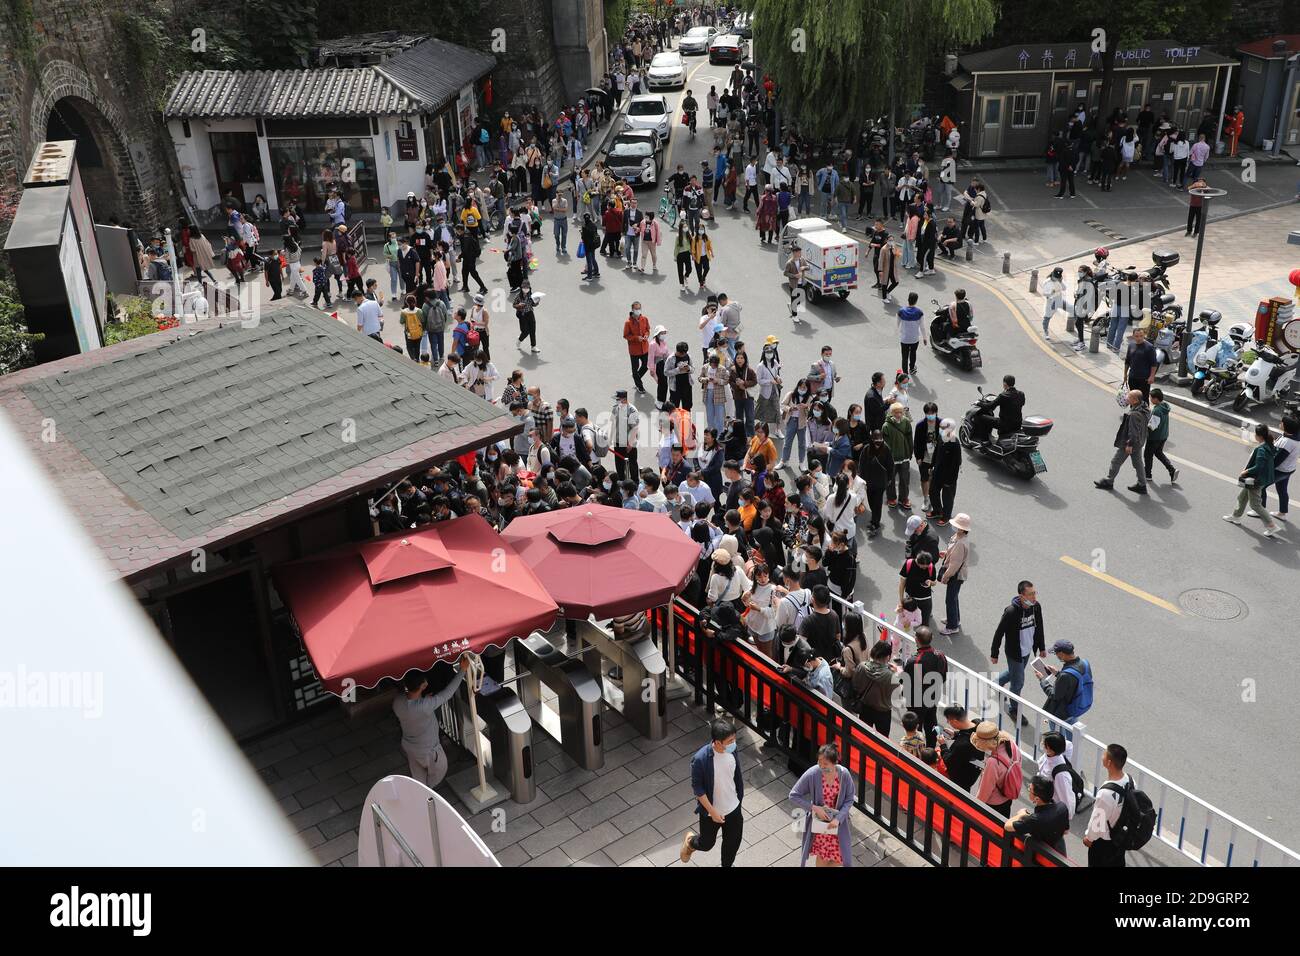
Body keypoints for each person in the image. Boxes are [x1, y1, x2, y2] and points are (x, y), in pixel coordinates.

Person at [392, 661, 470, 788]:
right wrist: (462, 670)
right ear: (423, 686)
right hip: (428, 750)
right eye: (424, 681)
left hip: (409, 747)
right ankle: (428, 794)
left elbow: (413, 704)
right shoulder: (424, 707)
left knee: (418, 778)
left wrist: (424, 700)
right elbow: (448, 693)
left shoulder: (398, 701)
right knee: (439, 770)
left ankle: (420, 794)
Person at [681, 719, 745, 867]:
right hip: (711, 813)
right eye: (730, 741)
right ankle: (690, 842)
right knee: (706, 844)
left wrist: (739, 798)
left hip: (733, 808)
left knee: (732, 847)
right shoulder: (700, 760)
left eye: (734, 739)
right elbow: (698, 789)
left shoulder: (732, 750)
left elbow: (735, 776)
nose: (734, 743)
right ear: (717, 742)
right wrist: (713, 812)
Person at [789, 744, 856, 867]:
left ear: (835, 762)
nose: (821, 766)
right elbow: (793, 795)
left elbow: (850, 798)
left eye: (826, 764)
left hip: (838, 826)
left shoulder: (844, 774)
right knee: (823, 858)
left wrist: (838, 818)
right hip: (821, 826)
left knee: (839, 859)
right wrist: (815, 808)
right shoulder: (813, 774)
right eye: (819, 762)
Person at [990, 580, 1046, 720]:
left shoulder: (1036, 607)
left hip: (1027, 650)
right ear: (1021, 596)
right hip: (1015, 652)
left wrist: (1042, 647)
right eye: (1030, 594)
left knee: (1014, 673)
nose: (1034, 597)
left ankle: (996, 683)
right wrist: (994, 653)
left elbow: (1040, 627)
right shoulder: (1011, 612)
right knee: (1018, 682)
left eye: (1034, 593)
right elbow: (999, 632)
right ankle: (1014, 709)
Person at [1223, 423, 1280, 536]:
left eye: (1255, 433)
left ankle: (1271, 525)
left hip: (1256, 480)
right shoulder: (1268, 445)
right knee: (1242, 497)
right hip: (1261, 479)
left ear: (1259, 436)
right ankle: (1236, 516)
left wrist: (1246, 471)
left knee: (1255, 505)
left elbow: (1258, 466)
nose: (1254, 435)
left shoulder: (1262, 449)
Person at [1083, 743, 1133, 867]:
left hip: (1104, 843)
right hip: (1120, 837)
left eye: (1104, 754)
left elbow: (1098, 822)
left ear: (1109, 763)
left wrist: (1089, 838)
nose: (1102, 757)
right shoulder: (1130, 780)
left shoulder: (1105, 794)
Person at [1094, 389, 1151, 495]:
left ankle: (1109, 481)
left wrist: (1129, 444)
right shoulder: (1145, 409)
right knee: (1138, 464)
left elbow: (1133, 432)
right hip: (1140, 442)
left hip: (1131, 443)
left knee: (1116, 461)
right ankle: (1142, 485)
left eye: (1128, 397)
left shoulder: (1134, 414)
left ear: (1134, 400)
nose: (1126, 398)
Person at [902, 625, 946, 747]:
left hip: (916, 700)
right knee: (931, 722)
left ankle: (917, 752)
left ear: (916, 640)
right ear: (931, 638)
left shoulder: (913, 661)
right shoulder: (940, 655)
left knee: (915, 727)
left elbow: (904, 681)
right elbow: (943, 677)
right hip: (932, 696)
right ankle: (931, 750)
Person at [1006, 775, 1070, 855]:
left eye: (1030, 789)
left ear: (1037, 799)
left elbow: (1007, 826)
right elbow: (1066, 831)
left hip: (1041, 856)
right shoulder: (1062, 807)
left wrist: (1020, 815)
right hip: (1060, 850)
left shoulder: (1034, 820)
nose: (1028, 790)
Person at [972, 721, 1022, 817]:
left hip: (994, 804)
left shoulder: (993, 762)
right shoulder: (1011, 744)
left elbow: (985, 791)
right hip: (1007, 797)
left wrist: (975, 807)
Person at [937, 512, 970, 635]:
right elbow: (954, 555)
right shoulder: (959, 537)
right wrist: (946, 553)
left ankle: (952, 626)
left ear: (962, 529)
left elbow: (955, 564)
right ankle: (955, 619)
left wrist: (945, 576)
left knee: (950, 599)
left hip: (956, 575)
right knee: (953, 597)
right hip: (958, 574)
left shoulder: (961, 543)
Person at [1262, 414, 1297, 521]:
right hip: (1289, 469)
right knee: (1282, 490)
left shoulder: (1287, 442)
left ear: (1286, 426)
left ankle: (1259, 510)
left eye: (1282, 422)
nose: (1280, 423)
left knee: (1260, 487)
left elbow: (1277, 461)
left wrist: (1264, 469)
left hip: (1280, 470)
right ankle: (1282, 513)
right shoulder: (1293, 436)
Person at [859, 429, 893, 538]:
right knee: (871, 501)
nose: (878, 444)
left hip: (880, 482)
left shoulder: (886, 449)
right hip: (868, 482)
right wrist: (862, 480)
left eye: (880, 441)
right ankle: (875, 517)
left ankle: (875, 524)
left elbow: (890, 465)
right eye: (876, 442)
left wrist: (890, 479)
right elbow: (861, 465)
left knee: (877, 503)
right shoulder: (866, 449)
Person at [938, 705, 981, 791]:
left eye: (948, 721)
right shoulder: (978, 724)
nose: (948, 722)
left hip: (961, 779)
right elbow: (968, 733)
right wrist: (956, 734)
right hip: (974, 769)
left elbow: (948, 761)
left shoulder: (962, 745)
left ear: (954, 721)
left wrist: (943, 745)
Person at [928, 419, 962, 525]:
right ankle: (937, 511)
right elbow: (936, 452)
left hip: (949, 476)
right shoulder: (940, 437)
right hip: (937, 472)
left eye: (943, 428)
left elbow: (956, 464)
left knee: (947, 498)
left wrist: (950, 481)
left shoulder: (955, 443)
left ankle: (946, 516)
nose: (941, 430)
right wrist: (931, 465)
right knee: (932, 492)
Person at [972, 373, 1023, 442]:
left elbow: (990, 406)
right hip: (1017, 424)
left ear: (1005, 384)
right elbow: (1022, 403)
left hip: (1005, 424)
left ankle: (984, 441)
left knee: (981, 417)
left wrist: (978, 403)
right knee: (992, 419)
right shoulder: (1021, 394)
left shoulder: (1003, 396)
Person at [1143, 387, 1179, 484]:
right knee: (1158, 453)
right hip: (1163, 435)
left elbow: (1152, 426)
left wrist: (1144, 427)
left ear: (1155, 399)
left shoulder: (1157, 411)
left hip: (1155, 437)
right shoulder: (1164, 406)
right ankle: (1172, 470)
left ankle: (1147, 474)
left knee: (1148, 455)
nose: (1150, 399)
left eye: (1151, 398)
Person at [610, 389, 640, 480]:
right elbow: (613, 423)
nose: (616, 401)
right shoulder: (615, 408)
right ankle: (621, 481)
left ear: (623, 399)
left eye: (618, 399)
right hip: (618, 440)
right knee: (619, 463)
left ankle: (635, 482)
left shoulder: (632, 410)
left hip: (628, 441)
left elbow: (634, 428)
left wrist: (630, 444)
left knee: (632, 464)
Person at [1122, 327, 1158, 402]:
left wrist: (1152, 376)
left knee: (1144, 399)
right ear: (1133, 336)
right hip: (1132, 377)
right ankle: (1133, 413)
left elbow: (1154, 363)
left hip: (1144, 379)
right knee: (1133, 398)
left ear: (1144, 335)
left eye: (1141, 336)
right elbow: (1127, 361)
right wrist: (1125, 374)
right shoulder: (1131, 345)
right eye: (1137, 336)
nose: (1139, 338)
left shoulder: (1150, 347)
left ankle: (1144, 413)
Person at [623, 302, 651, 394]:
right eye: (636, 308)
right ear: (632, 310)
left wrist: (646, 335)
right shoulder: (628, 323)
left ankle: (636, 377)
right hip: (634, 350)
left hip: (644, 347)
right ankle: (639, 386)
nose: (638, 310)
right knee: (635, 368)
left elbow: (647, 329)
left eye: (639, 308)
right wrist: (636, 338)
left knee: (645, 366)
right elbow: (626, 335)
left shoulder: (644, 319)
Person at [897, 292, 926, 375]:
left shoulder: (901, 311)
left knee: (904, 357)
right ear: (916, 301)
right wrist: (924, 338)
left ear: (908, 299)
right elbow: (922, 327)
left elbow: (897, 325)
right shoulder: (919, 312)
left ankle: (905, 374)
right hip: (914, 339)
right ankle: (912, 368)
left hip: (904, 338)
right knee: (913, 353)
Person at [1041, 266, 1066, 339]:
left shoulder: (1059, 280)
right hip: (1051, 302)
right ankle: (1046, 332)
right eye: (1055, 277)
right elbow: (1045, 293)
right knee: (1047, 317)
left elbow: (1064, 288)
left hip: (1059, 300)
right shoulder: (1047, 282)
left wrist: (1061, 282)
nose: (1056, 278)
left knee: (1072, 309)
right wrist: (1051, 293)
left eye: (1058, 277)